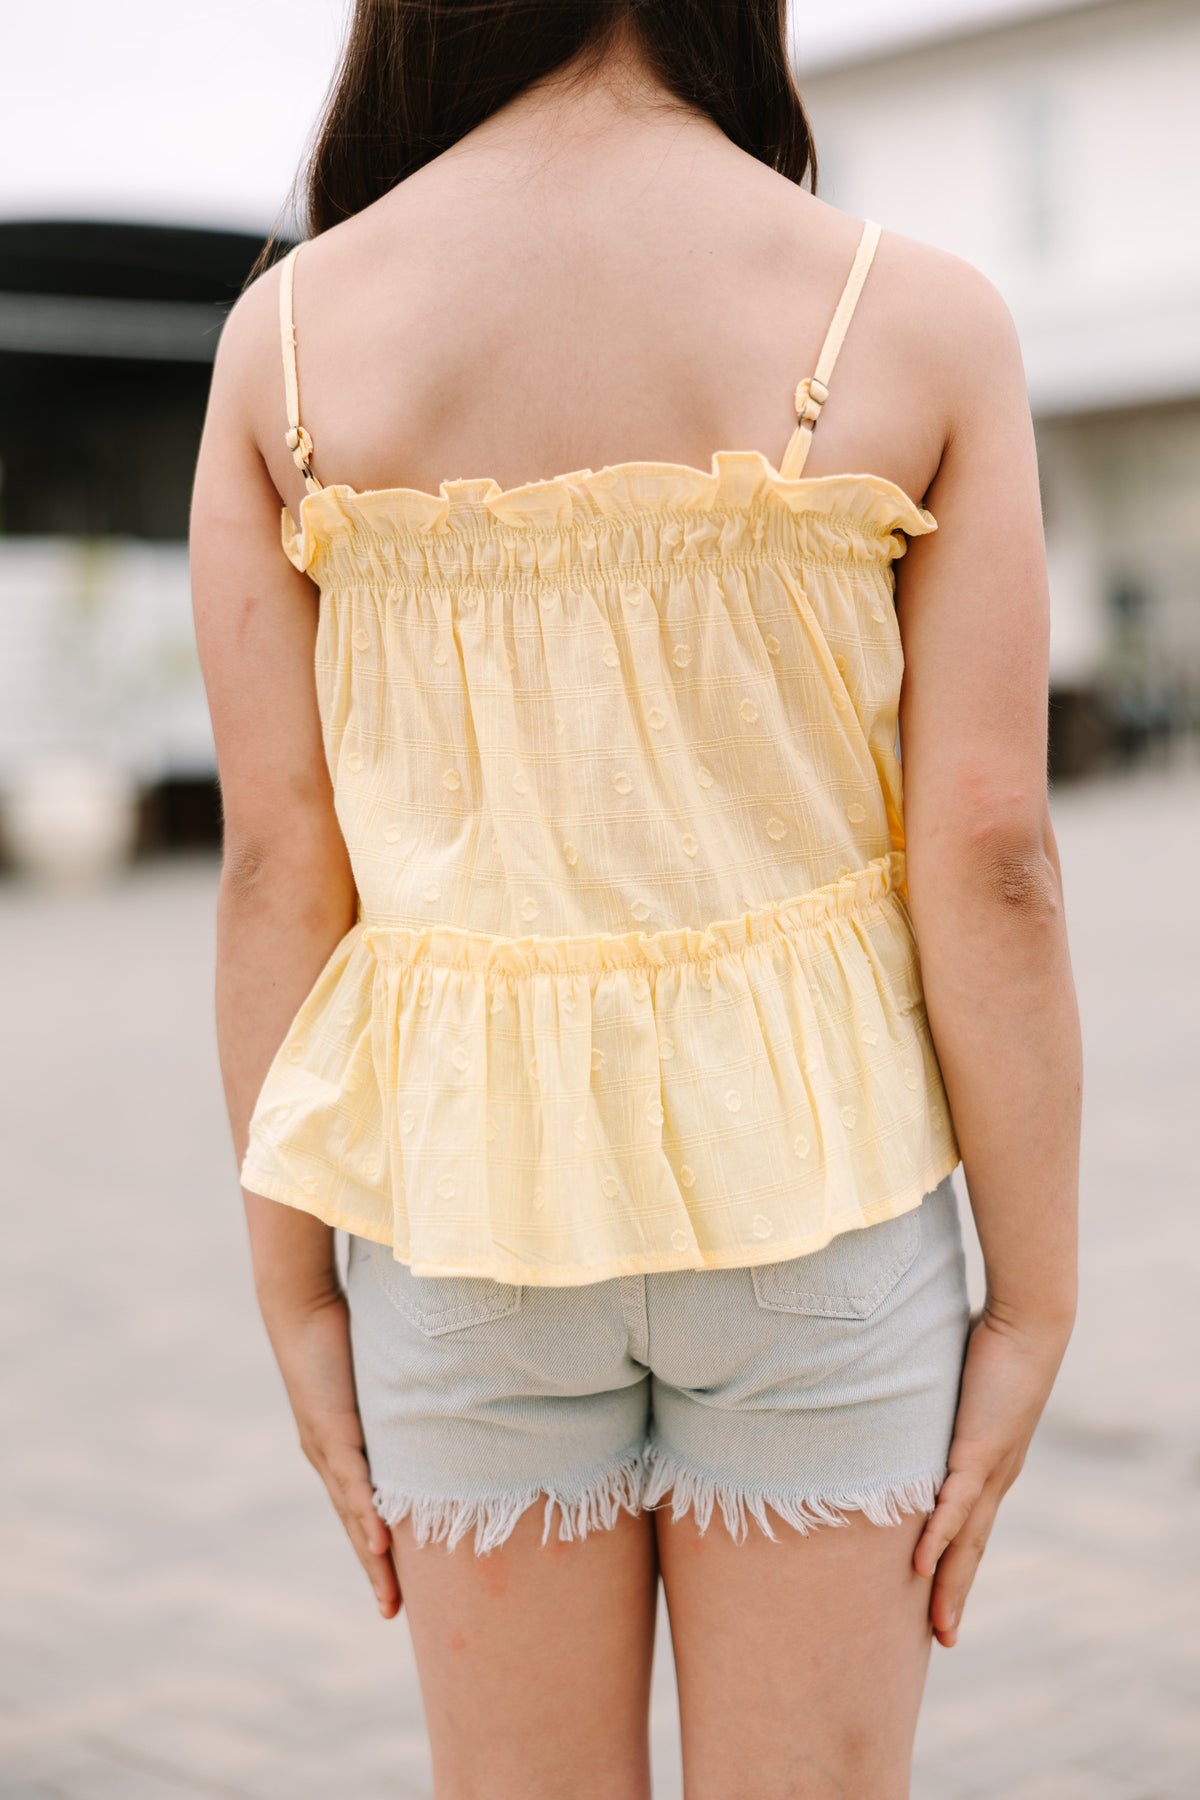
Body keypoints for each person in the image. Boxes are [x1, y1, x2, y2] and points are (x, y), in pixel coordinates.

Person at [190, 3, 1081, 1794]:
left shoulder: (285, 343)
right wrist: (1034, 1300)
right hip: (819, 1194)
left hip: (461, 1220)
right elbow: (991, 849)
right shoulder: (910, 317)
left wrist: (295, 1294)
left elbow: (283, 859)